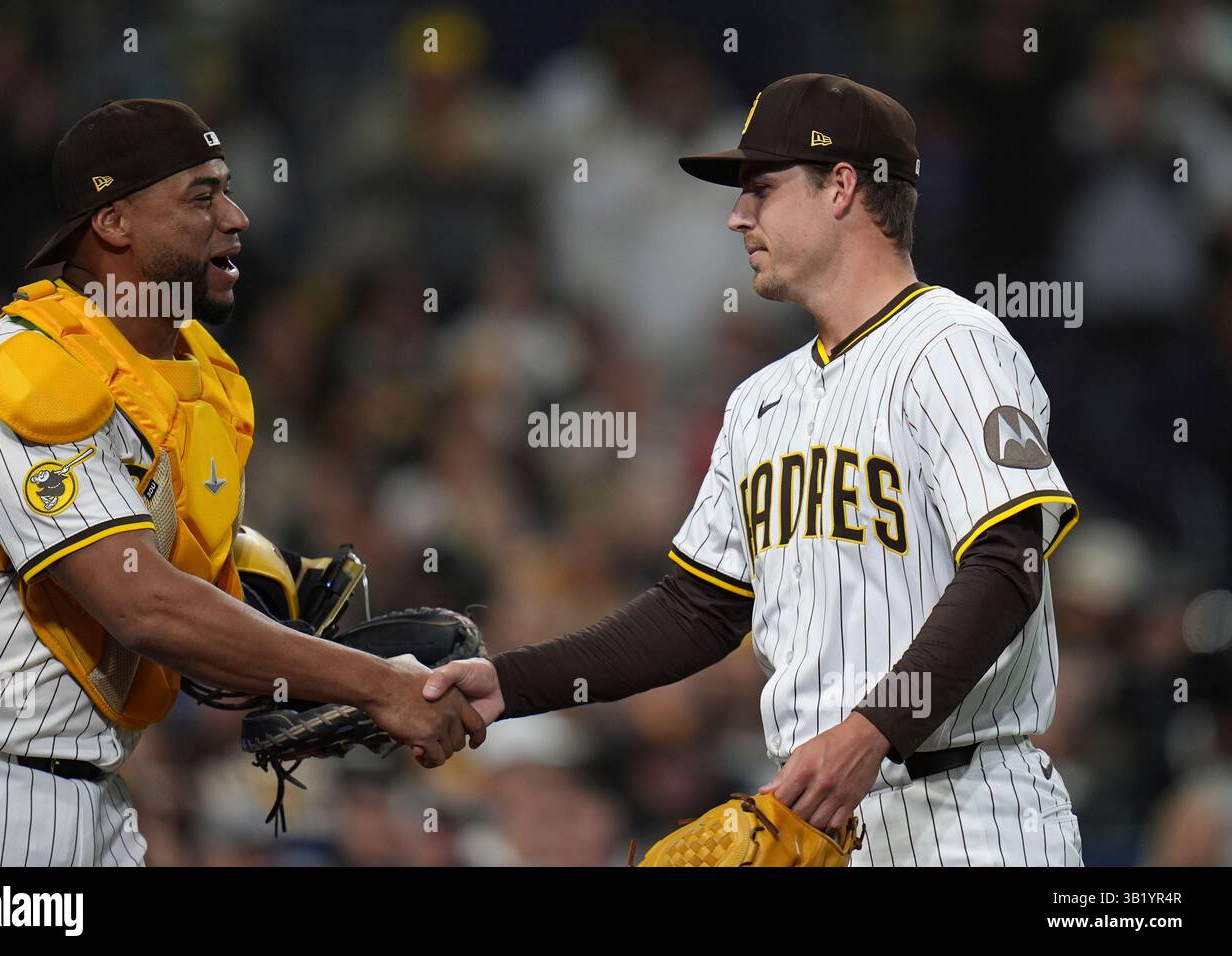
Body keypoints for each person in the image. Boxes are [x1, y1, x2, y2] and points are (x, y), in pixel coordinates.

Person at [424, 74, 1084, 866]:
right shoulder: (758, 403)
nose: (738, 215)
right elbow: (696, 610)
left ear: (841, 186)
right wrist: (508, 684)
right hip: (813, 823)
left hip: (968, 814)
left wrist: (872, 731)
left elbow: (1009, 566)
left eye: (761, 189)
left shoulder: (956, 348)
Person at [0, 99, 484, 866]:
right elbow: (144, 606)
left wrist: (268, 610)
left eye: (227, 189)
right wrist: (373, 685)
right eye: (201, 196)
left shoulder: (183, 372)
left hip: (90, 793)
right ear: (115, 222)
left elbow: (168, 569)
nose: (237, 217)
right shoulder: (25, 376)